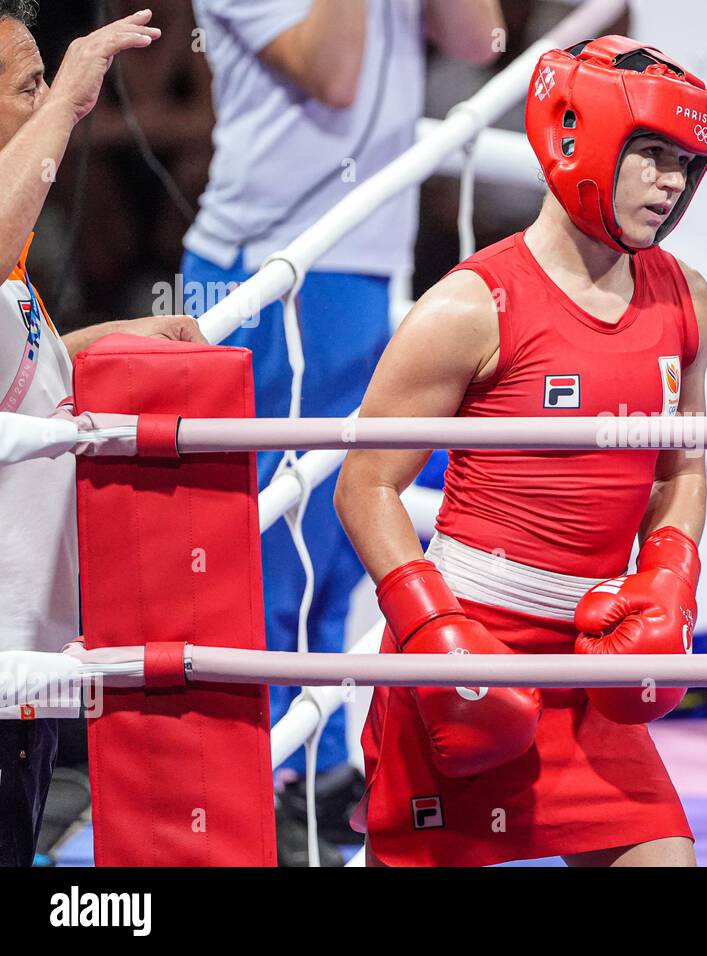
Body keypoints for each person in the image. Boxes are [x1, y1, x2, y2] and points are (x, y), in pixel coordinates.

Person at [335, 36, 707, 867]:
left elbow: (682, 466)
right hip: (465, 649)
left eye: (687, 164)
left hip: (593, 657)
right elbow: (364, 485)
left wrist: (668, 576)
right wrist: (432, 628)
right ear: (579, 136)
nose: (672, 182)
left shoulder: (686, 299)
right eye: (653, 154)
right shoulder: (471, 307)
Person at [181, 0, 505, 821]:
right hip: (270, 269)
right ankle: (265, 783)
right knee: (275, 550)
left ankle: (314, 774)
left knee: (335, 548)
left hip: (359, 260)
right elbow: (333, 74)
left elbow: (478, 39)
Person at [0, 5, 204, 867]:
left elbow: (22, 370)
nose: (54, 101)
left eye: (50, 80)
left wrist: (105, 343)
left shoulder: (13, 271)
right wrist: (74, 95)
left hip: (30, 657)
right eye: (27, 87)